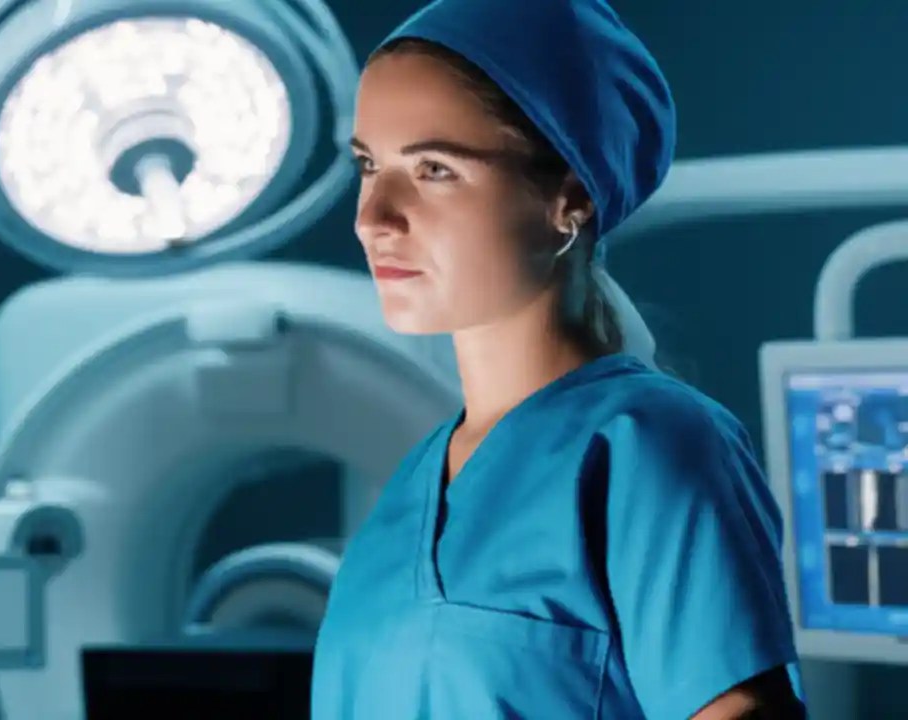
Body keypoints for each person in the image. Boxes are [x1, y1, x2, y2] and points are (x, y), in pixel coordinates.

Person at [310, 0, 808, 718]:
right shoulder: (412, 494)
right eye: (368, 165)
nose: (373, 217)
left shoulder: (652, 445)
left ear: (568, 194)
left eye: (434, 170)